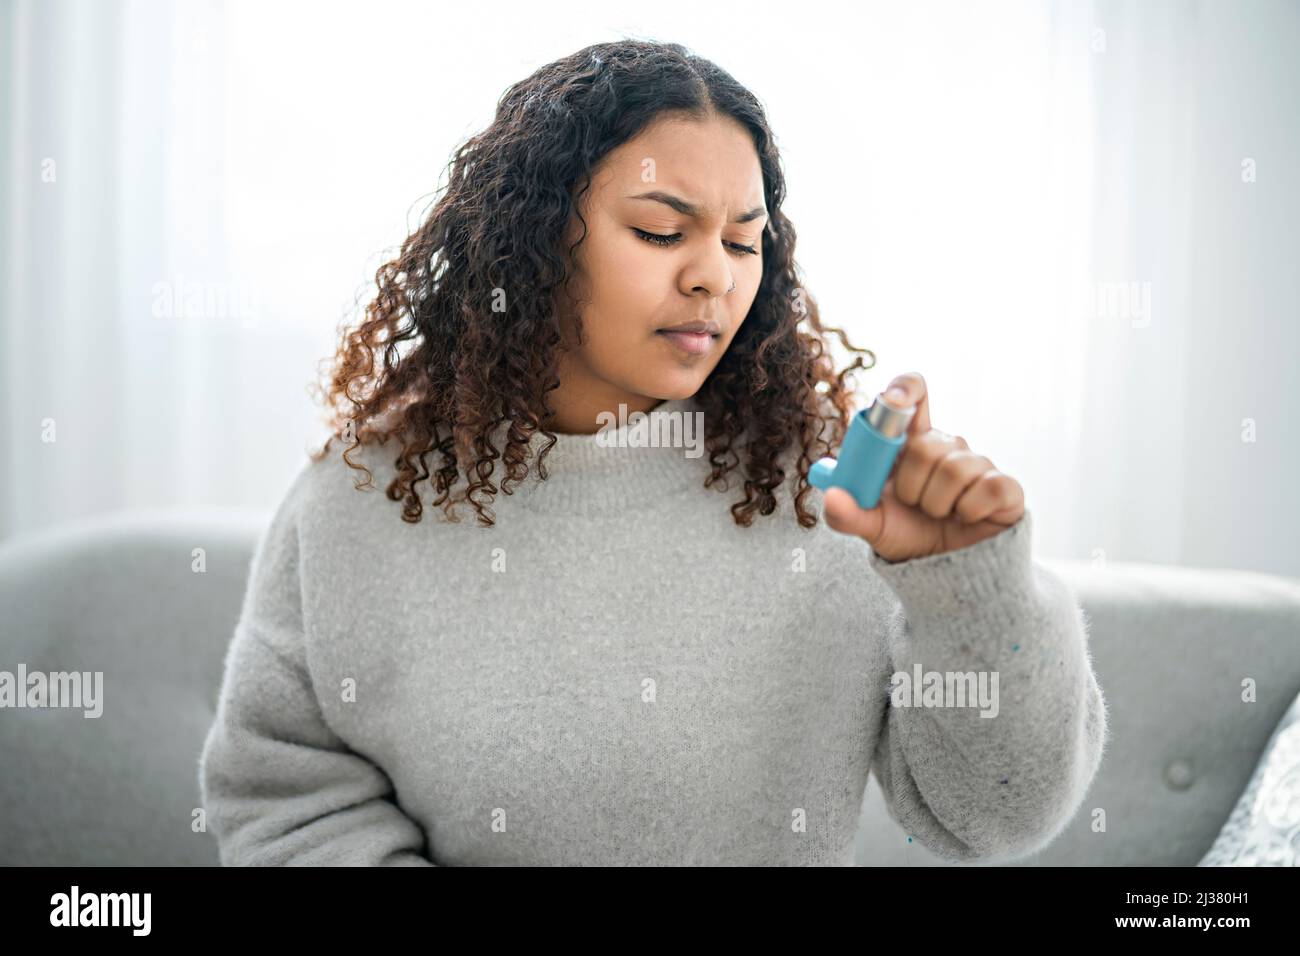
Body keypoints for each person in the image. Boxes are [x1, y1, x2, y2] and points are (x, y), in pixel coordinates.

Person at [198, 39, 1108, 866]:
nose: (714, 274)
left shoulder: (829, 496)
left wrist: (965, 595)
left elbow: (989, 822)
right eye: (662, 232)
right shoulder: (365, 496)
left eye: (743, 241)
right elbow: (288, 806)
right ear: (531, 241)